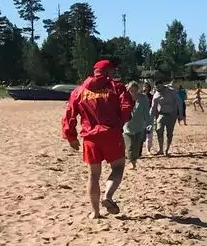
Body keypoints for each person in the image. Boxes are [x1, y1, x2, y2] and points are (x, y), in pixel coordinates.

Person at [61, 60, 134, 218]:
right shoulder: (117, 87)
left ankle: (95, 212)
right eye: (112, 72)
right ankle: (108, 196)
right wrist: (120, 122)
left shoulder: (79, 91)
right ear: (108, 72)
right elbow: (127, 106)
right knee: (118, 167)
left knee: (93, 175)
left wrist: (71, 136)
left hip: (90, 137)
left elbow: (69, 114)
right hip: (111, 134)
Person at [122, 80, 151, 171]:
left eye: (135, 90)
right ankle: (132, 163)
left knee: (137, 147)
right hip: (127, 126)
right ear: (128, 90)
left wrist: (148, 124)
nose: (133, 92)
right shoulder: (124, 98)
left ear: (138, 90)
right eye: (131, 90)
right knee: (130, 146)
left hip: (140, 126)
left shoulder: (143, 98)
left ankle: (134, 159)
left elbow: (147, 112)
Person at [150, 79, 182, 155]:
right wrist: (150, 117)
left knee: (169, 133)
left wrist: (180, 115)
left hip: (172, 114)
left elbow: (179, 102)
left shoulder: (171, 91)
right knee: (158, 129)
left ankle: (167, 149)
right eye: (157, 87)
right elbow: (153, 107)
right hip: (161, 114)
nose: (159, 89)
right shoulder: (156, 94)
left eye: (160, 87)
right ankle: (161, 149)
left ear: (163, 85)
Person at [142, 82, 155, 151]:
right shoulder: (140, 97)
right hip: (141, 118)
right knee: (141, 134)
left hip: (149, 118)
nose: (145, 89)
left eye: (147, 87)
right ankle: (139, 150)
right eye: (144, 87)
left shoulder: (152, 97)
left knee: (149, 133)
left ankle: (148, 149)